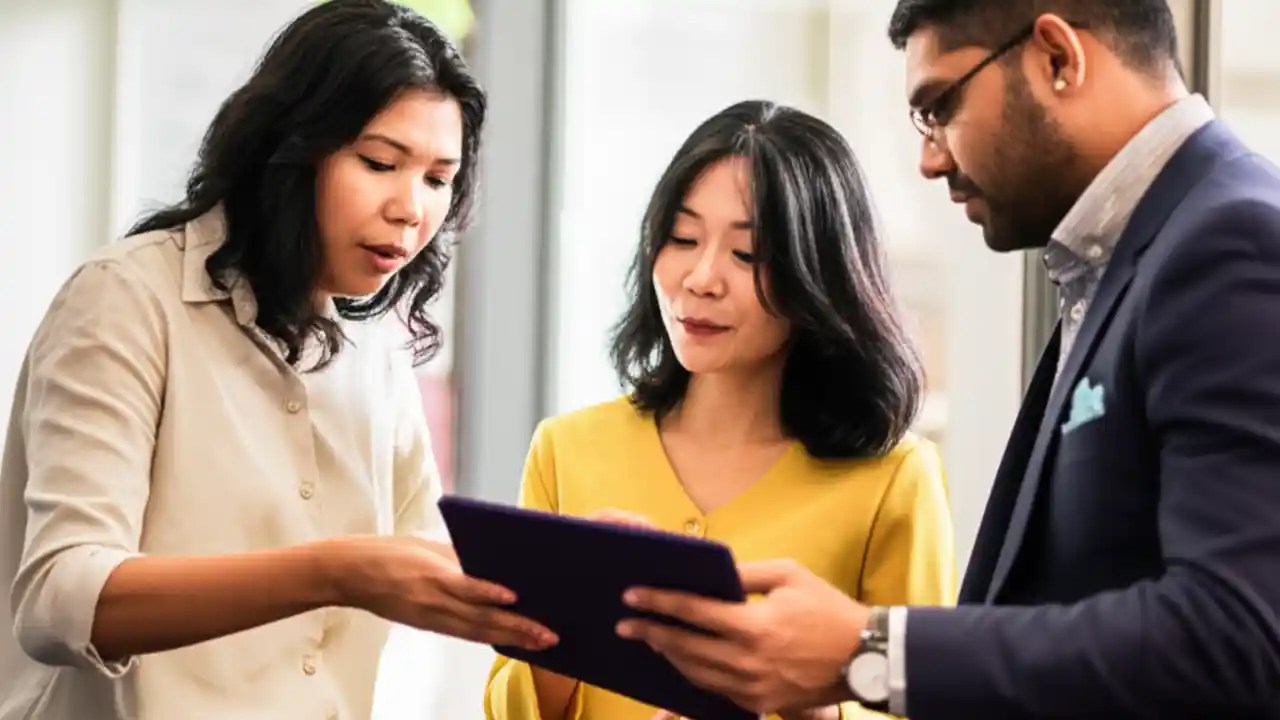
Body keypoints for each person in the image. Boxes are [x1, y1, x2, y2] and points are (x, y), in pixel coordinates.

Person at [616, 1, 1280, 719]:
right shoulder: (1129, 259)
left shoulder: (1227, 244)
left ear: (1058, 58)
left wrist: (866, 651)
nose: (930, 159)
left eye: (940, 107)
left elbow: (1238, 635)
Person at [0, 2, 557, 719]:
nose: (411, 209)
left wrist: (588, 566)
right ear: (289, 148)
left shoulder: (376, 346)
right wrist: (334, 572)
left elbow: (432, 569)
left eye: (437, 178)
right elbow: (60, 600)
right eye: (380, 163)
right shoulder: (127, 300)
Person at [483, 100, 957, 720]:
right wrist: (566, 614)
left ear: (820, 274)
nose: (701, 278)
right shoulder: (567, 450)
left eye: (747, 255)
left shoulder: (894, 479)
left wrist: (808, 707)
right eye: (682, 239)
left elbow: (925, 704)